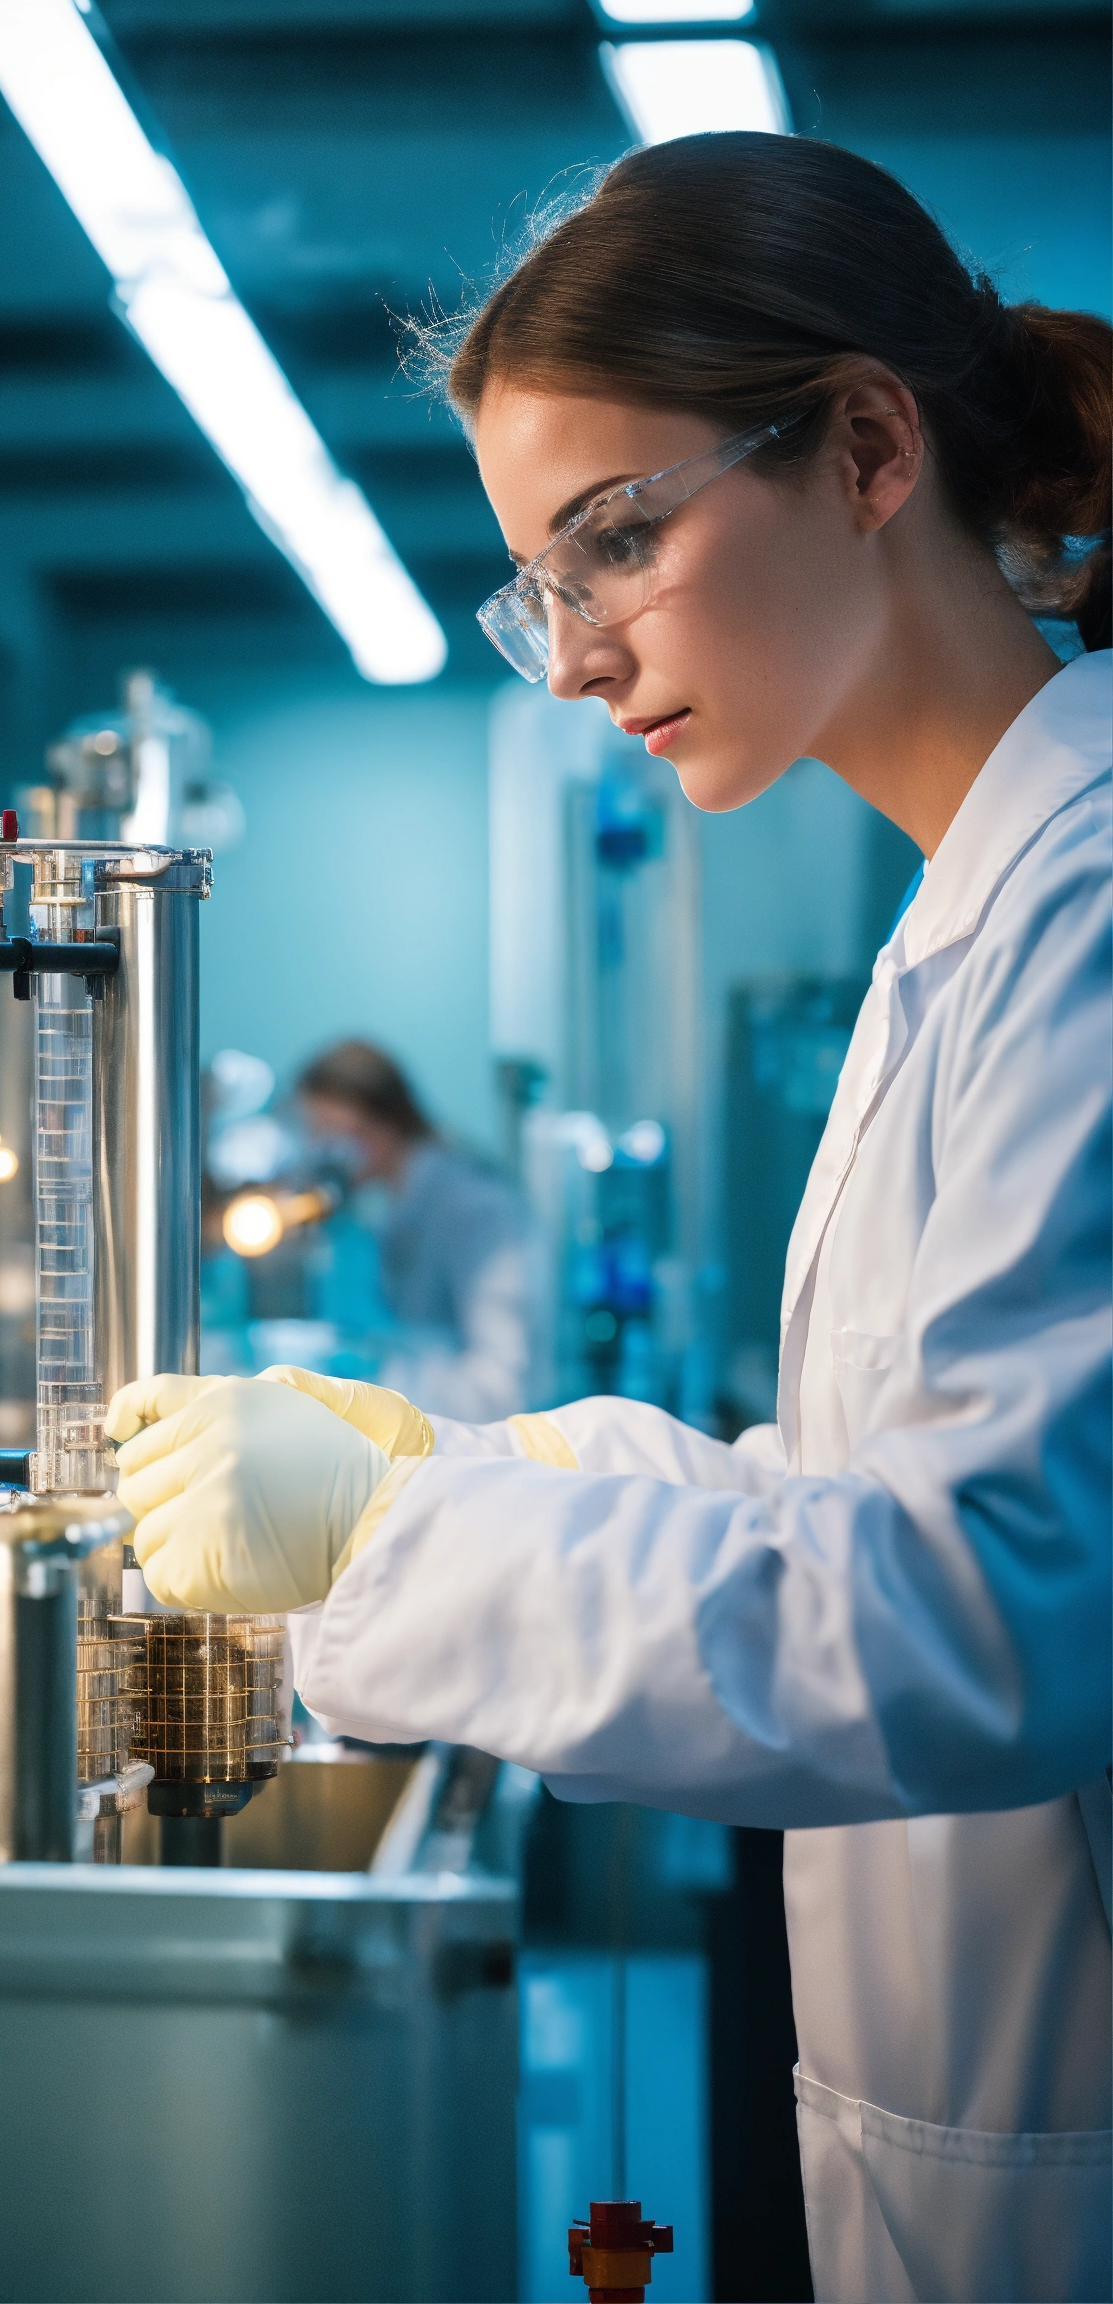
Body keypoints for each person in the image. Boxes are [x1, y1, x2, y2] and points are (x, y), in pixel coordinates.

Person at [106, 134, 1112, 2302]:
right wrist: (473, 1466)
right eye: (536, 587)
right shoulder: (977, 910)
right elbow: (874, 1495)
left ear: (862, 447)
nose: (568, 662)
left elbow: (997, 1613)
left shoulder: (1094, 904)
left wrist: (387, 1543)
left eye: (618, 545)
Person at [295, 1038, 536, 1421]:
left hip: (476, 1438)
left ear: (377, 1123)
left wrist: (377, 1383)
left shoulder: (470, 1205)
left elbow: (503, 1384)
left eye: (327, 1131)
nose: (318, 1151)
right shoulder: (388, 1205)